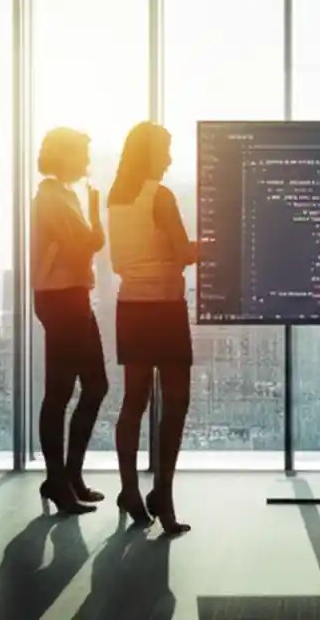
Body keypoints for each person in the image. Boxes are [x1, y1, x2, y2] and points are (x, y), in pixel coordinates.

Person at [108, 122, 197, 535]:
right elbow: (183, 252)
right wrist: (223, 243)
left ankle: (130, 490)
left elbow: (117, 261)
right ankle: (163, 494)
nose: (169, 159)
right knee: (176, 403)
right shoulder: (160, 197)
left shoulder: (116, 200)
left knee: (134, 402)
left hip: (131, 307)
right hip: (164, 307)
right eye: (165, 151)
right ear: (149, 155)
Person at [30, 127, 109, 515]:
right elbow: (89, 243)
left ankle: (66, 477)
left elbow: (83, 245)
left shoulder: (59, 195)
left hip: (70, 296)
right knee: (64, 391)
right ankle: (60, 481)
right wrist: (94, 211)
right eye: (82, 154)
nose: (87, 162)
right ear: (64, 156)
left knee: (90, 386)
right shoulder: (52, 198)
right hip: (63, 298)